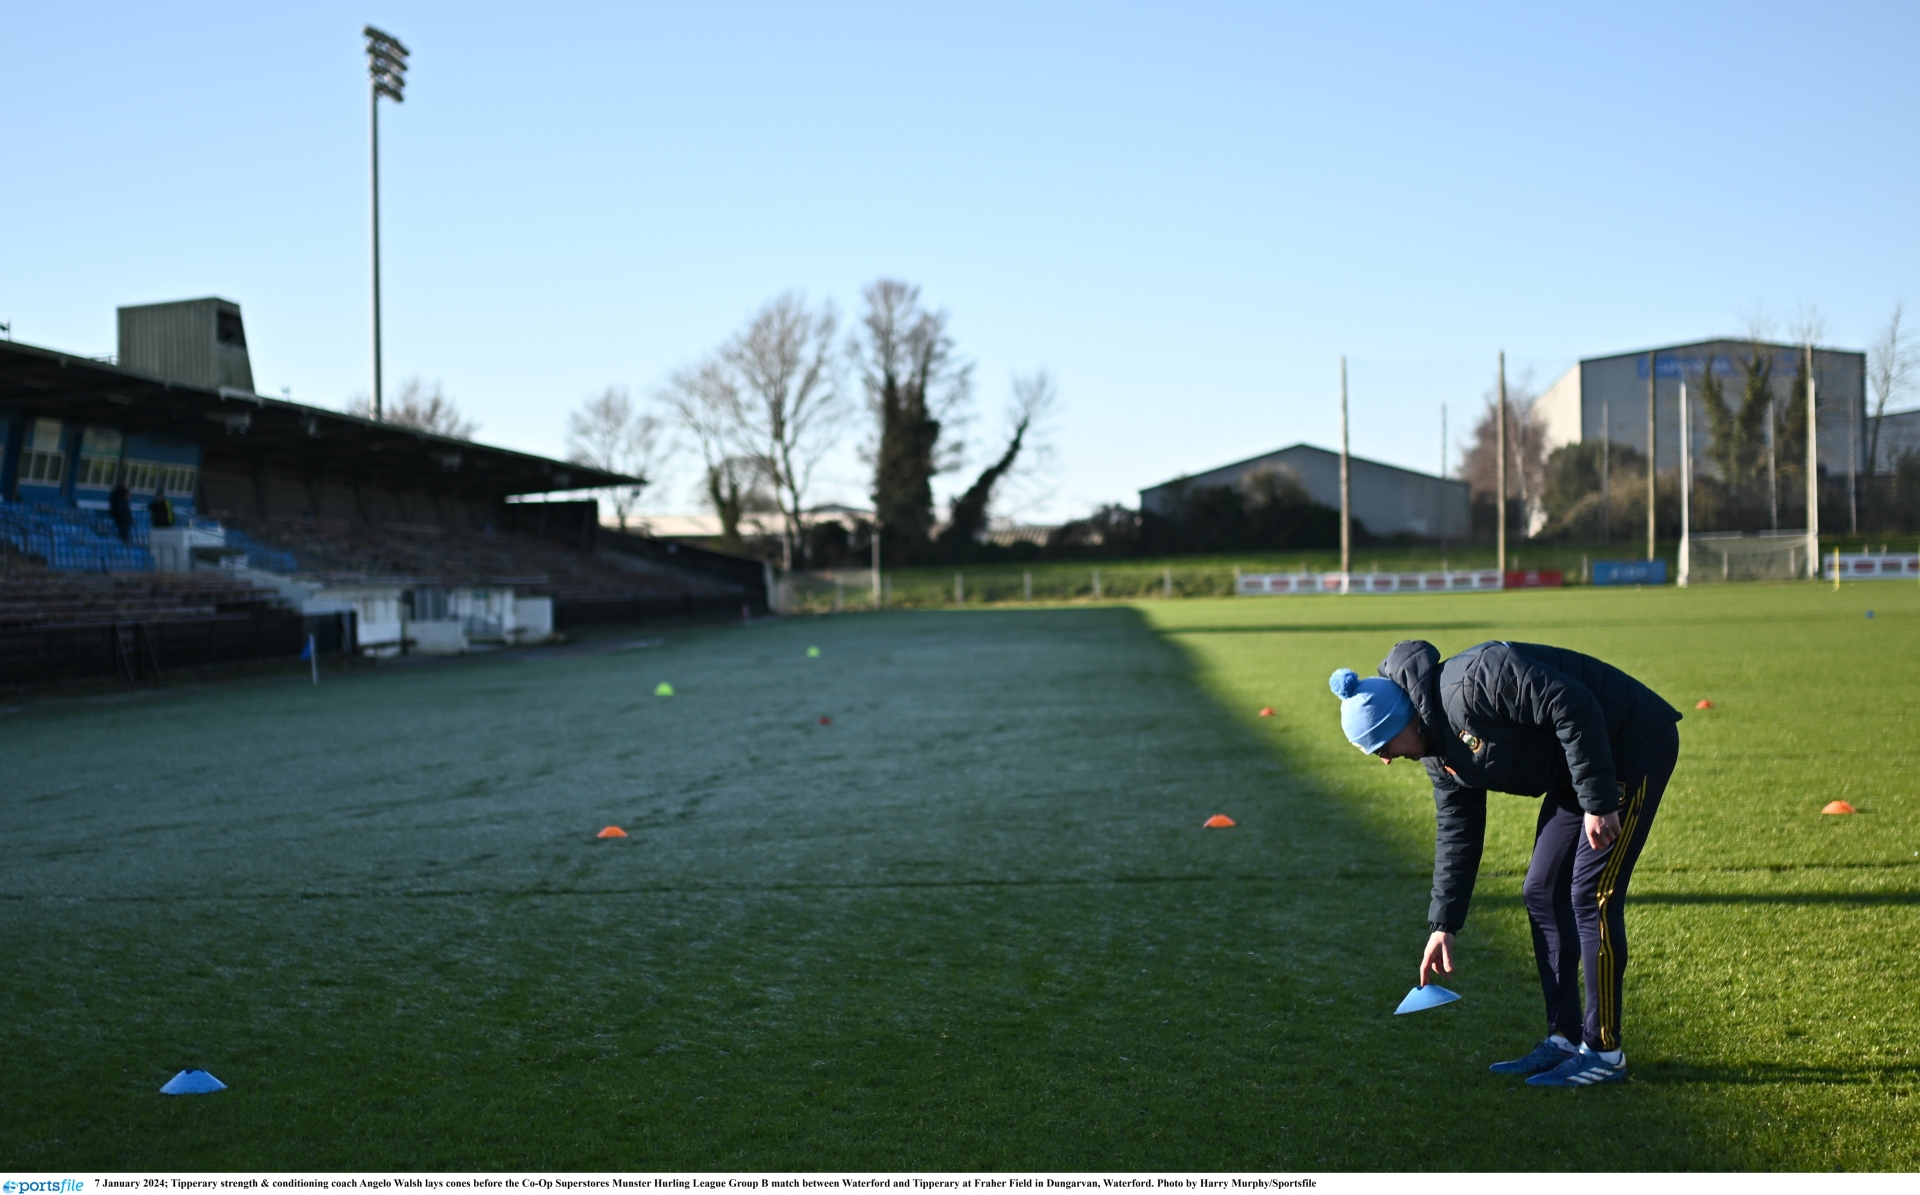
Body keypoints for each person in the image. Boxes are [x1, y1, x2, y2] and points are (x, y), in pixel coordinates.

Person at [1329, 640, 1680, 1087]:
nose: (1384, 759)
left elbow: (1572, 703)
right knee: (1541, 891)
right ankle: (1565, 1039)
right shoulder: (1436, 748)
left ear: (1403, 720)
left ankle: (1604, 1051)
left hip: (1629, 745)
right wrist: (1444, 925)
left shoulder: (1476, 679)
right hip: (1579, 768)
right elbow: (1459, 832)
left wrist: (1598, 799)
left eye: (1382, 745)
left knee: (1590, 896)